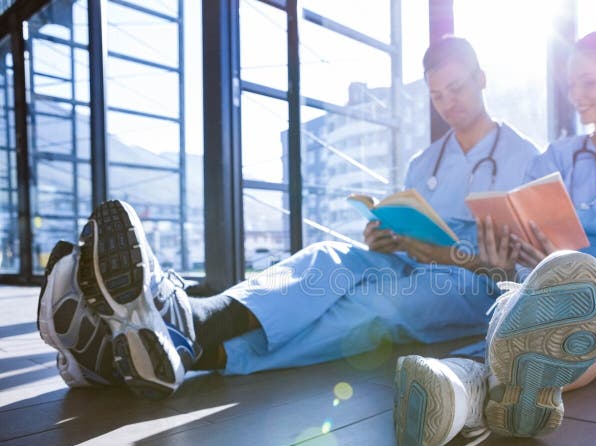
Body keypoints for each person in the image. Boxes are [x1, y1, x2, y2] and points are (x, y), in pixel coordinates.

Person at [36, 36, 540, 399]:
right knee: (328, 257)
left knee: (369, 309)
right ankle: (190, 323)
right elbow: (411, 228)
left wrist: (479, 261)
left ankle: (186, 342)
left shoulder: (525, 158)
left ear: (482, 78)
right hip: (410, 264)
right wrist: (386, 236)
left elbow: (525, 272)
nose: (448, 103)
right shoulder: (424, 162)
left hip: (472, 285)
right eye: (437, 94)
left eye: (457, 89)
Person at [393, 28, 596, 446]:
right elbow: (529, 237)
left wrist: (584, 273)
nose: (577, 95)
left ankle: (467, 390)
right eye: (570, 84)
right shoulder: (557, 157)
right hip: (557, 278)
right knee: (538, 311)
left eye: (589, 82)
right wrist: (534, 266)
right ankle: (461, 390)